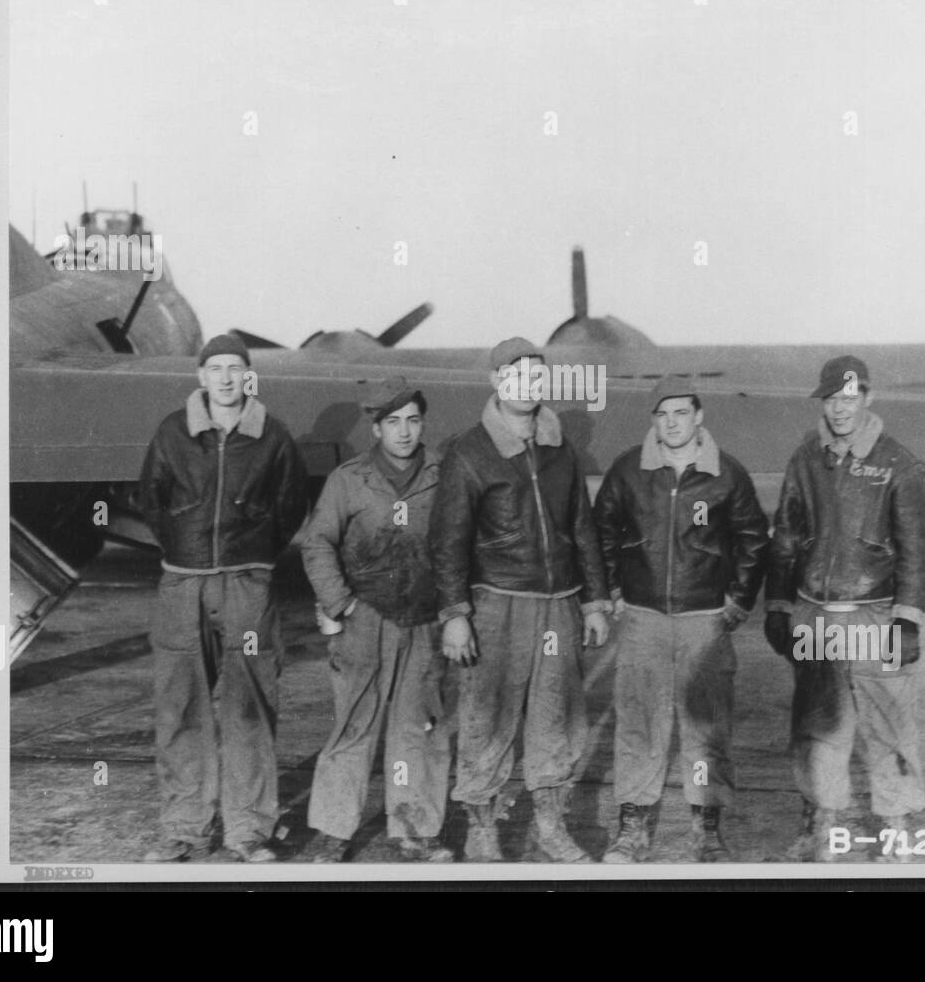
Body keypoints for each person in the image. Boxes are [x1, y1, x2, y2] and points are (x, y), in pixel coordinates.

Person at [429, 337, 611, 862]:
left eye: (536, 374)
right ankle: (483, 828)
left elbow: (582, 527)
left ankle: (552, 826)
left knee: (557, 719)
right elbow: (447, 541)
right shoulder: (470, 452)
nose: (528, 383)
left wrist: (596, 601)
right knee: (487, 718)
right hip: (496, 604)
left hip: (559, 604)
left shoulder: (561, 451)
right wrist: (455, 614)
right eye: (515, 374)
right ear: (495, 382)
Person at [137, 334, 308, 862]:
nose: (228, 378)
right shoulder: (172, 432)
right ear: (201, 376)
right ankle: (185, 828)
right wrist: (185, 547)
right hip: (182, 584)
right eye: (217, 368)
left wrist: (253, 554)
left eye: (237, 368)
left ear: (248, 376)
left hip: (247, 587)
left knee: (250, 708)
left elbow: (290, 507)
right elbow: (152, 501)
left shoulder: (273, 437)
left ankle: (248, 831)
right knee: (181, 706)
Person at [763, 355, 925, 862]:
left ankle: (895, 827)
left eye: (848, 398)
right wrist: (778, 603)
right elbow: (786, 538)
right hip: (816, 615)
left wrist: (908, 618)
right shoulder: (805, 460)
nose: (839, 410)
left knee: (888, 723)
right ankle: (820, 823)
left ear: (867, 397)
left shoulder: (898, 464)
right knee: (818, 726)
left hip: (875, 615)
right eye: (831, 400)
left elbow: (919, 548)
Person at [593, 377, 769, 862]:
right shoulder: (629, 470)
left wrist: (738, 600)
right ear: (653, 419)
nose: (671, 423)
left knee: (705, 726)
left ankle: (706, 830)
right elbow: (601, 530)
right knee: (639, 725)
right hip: (644, 617)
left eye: (681, 413)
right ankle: (632, 829)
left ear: (699, 416)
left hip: (704, 619)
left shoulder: (726, 473)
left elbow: (754, 538)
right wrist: (609, 589)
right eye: (662, 414)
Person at [301, 378, 453, 863]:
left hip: (424, 621)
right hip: (365, 620)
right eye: (393, 422)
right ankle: (333, 830)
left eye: (412, 420)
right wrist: (339, 603)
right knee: (354, 725)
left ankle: (416, 828)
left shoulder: (443, 476)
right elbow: (318, 542)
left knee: (418, 727)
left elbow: (458, 545)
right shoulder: (349, 479)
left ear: (422, 423)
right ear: (376, 427)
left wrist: (455, 611)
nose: (404, 432)